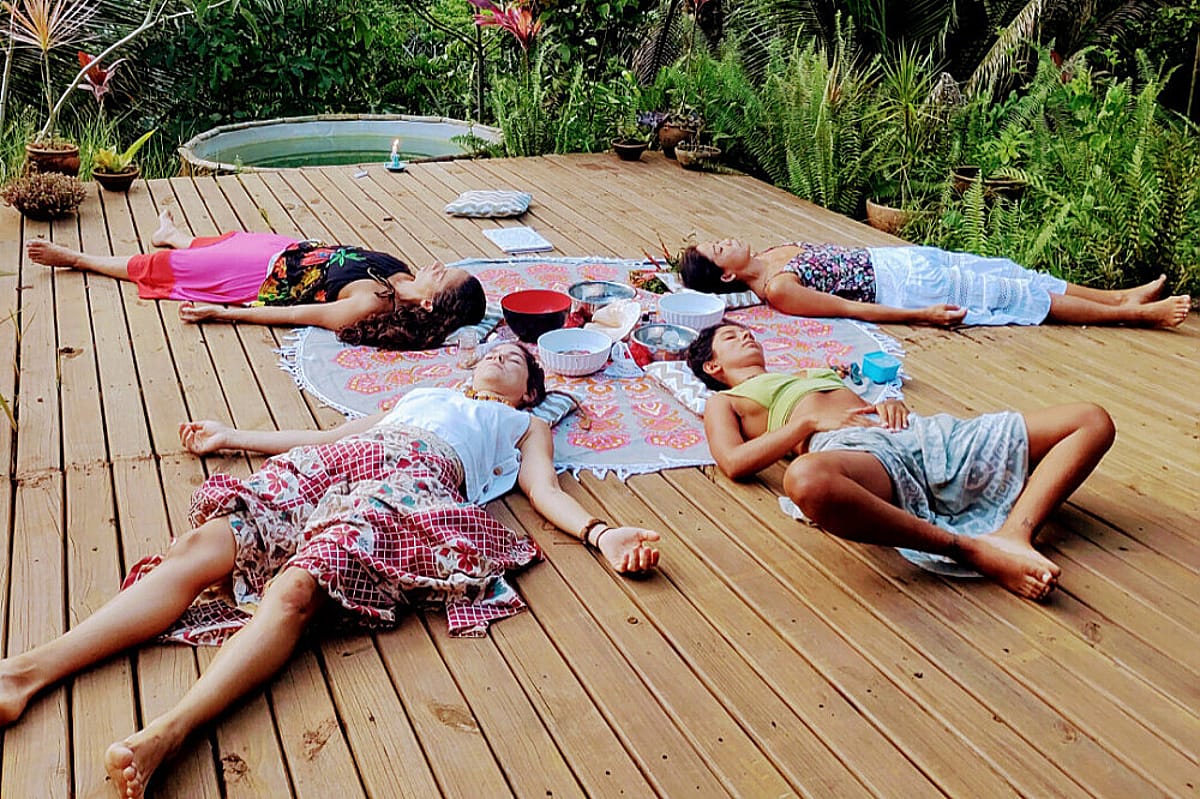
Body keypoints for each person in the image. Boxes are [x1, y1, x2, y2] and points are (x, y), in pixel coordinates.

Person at [0, 342, 660, 798]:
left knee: (296, 588)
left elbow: (544, 493)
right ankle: (24, 672)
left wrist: (602, 533)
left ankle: (164, 736)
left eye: (515, 360)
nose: (499, 356)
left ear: (529, 390)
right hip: (340, 465)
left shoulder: (519, 425)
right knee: (201, 548)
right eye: (492, 350)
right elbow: (330, 437)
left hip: (408, 485)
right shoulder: (423, 390)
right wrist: (233, 437)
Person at [686, 322, 1116, 601]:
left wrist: (888, 403)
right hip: (855, 451)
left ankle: (1014, 534)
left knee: (1090, 420)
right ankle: (972, 551)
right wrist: (806, 425)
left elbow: (864, 402)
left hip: (914, 433)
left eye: (747, 331)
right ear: (713, 365)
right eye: (731, 337)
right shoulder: (726, 401)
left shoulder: (804, 373)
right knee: (804, 480)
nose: (746, 336)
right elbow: (734, 462)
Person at [26, 208, 487, 350]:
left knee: (170, 271)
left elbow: (295, 313)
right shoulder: (403, 274)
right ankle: (174, 234)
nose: (438, 265)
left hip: (261, 282)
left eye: (443, 276)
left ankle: (78, 258)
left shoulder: (372, 305)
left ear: (429, 304)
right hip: (288, 251)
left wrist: (222, 313)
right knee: (225, 242)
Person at [680, 238, 1192, 328]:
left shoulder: (770, 254)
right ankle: (1133, 315)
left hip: (899, 261)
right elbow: (851, 310)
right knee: (1016, 298)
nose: (727, 240)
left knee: (1009, 272)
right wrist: (920, 315)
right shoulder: (780, 290)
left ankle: (1119, 295)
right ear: (727, 273)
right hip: (903, 291)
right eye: (719, 249)